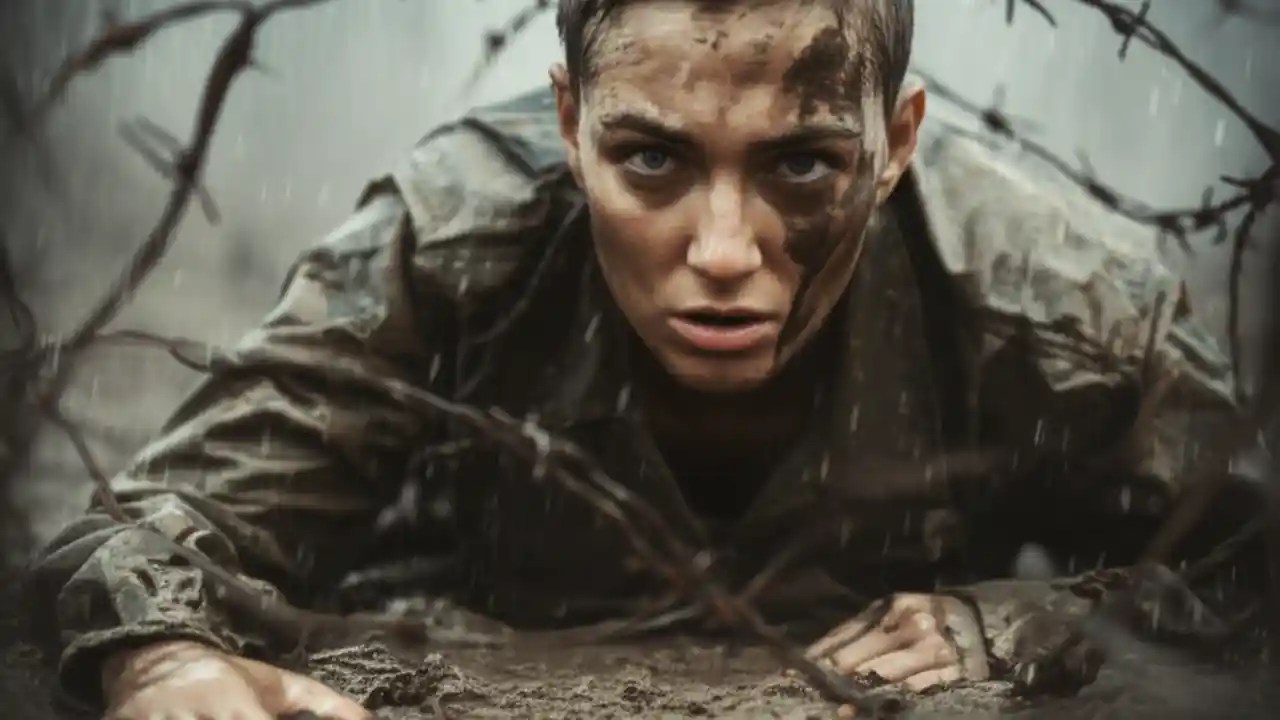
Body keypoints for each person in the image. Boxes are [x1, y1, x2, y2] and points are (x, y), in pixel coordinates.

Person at [30, 1, 1245, 718]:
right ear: (567, 125)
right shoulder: (455, 244)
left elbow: (1255, 560)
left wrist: (1023, 622)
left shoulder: (1049, 303)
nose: (721, 251)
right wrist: (168, 656)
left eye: (802, 165)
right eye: (652, 160)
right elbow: (152, 519)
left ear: (897, 143)